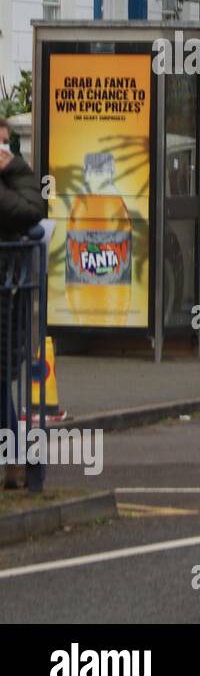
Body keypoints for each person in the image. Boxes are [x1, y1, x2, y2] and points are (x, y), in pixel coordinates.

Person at [0, 117, 46, 489]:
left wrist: (14, 167)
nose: (4, 152)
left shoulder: (11, 174)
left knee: (3, 378)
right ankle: (14, 458)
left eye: (7, 144)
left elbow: (33, 209)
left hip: (8, 288)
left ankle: (14, 458)